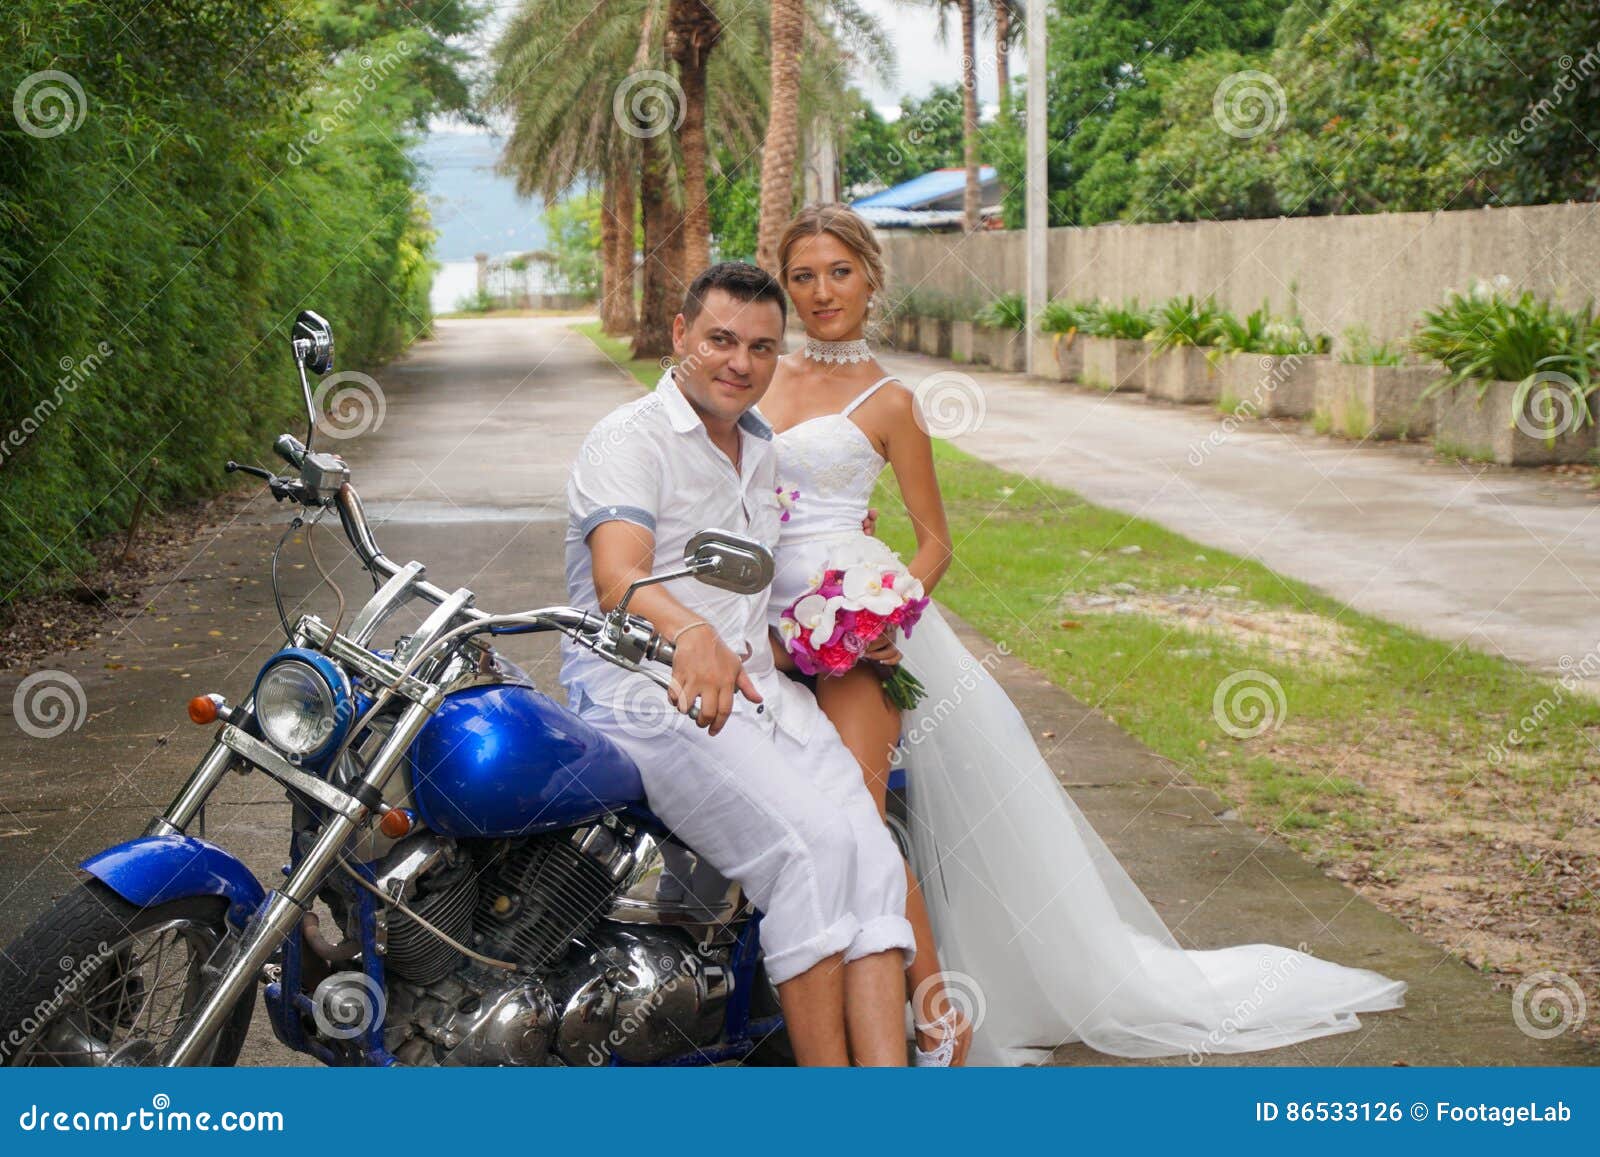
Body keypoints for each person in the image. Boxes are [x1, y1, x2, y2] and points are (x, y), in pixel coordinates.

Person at [757, 202, 1409, 1066]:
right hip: (760, 623)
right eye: (802, 275)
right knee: (784, 814)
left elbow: (936, 539)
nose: (820, 290)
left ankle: (940, 1014)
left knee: (859, 821)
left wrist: (885, 620)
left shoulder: (893, 400)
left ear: (871, 277)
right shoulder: (758, 378)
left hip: (857, 635)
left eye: (838, 271)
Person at [560, 260, 916, 1066]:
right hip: (646, 692)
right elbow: (620, 574)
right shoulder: (630, 438)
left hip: (758, 690)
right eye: (721, 339)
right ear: (681, 335)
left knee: (870, 856)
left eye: (761, 346)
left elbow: (745, 614)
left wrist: (840, 639)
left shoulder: (761, 450)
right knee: (813, 850)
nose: (740, 362)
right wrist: (688, 634)